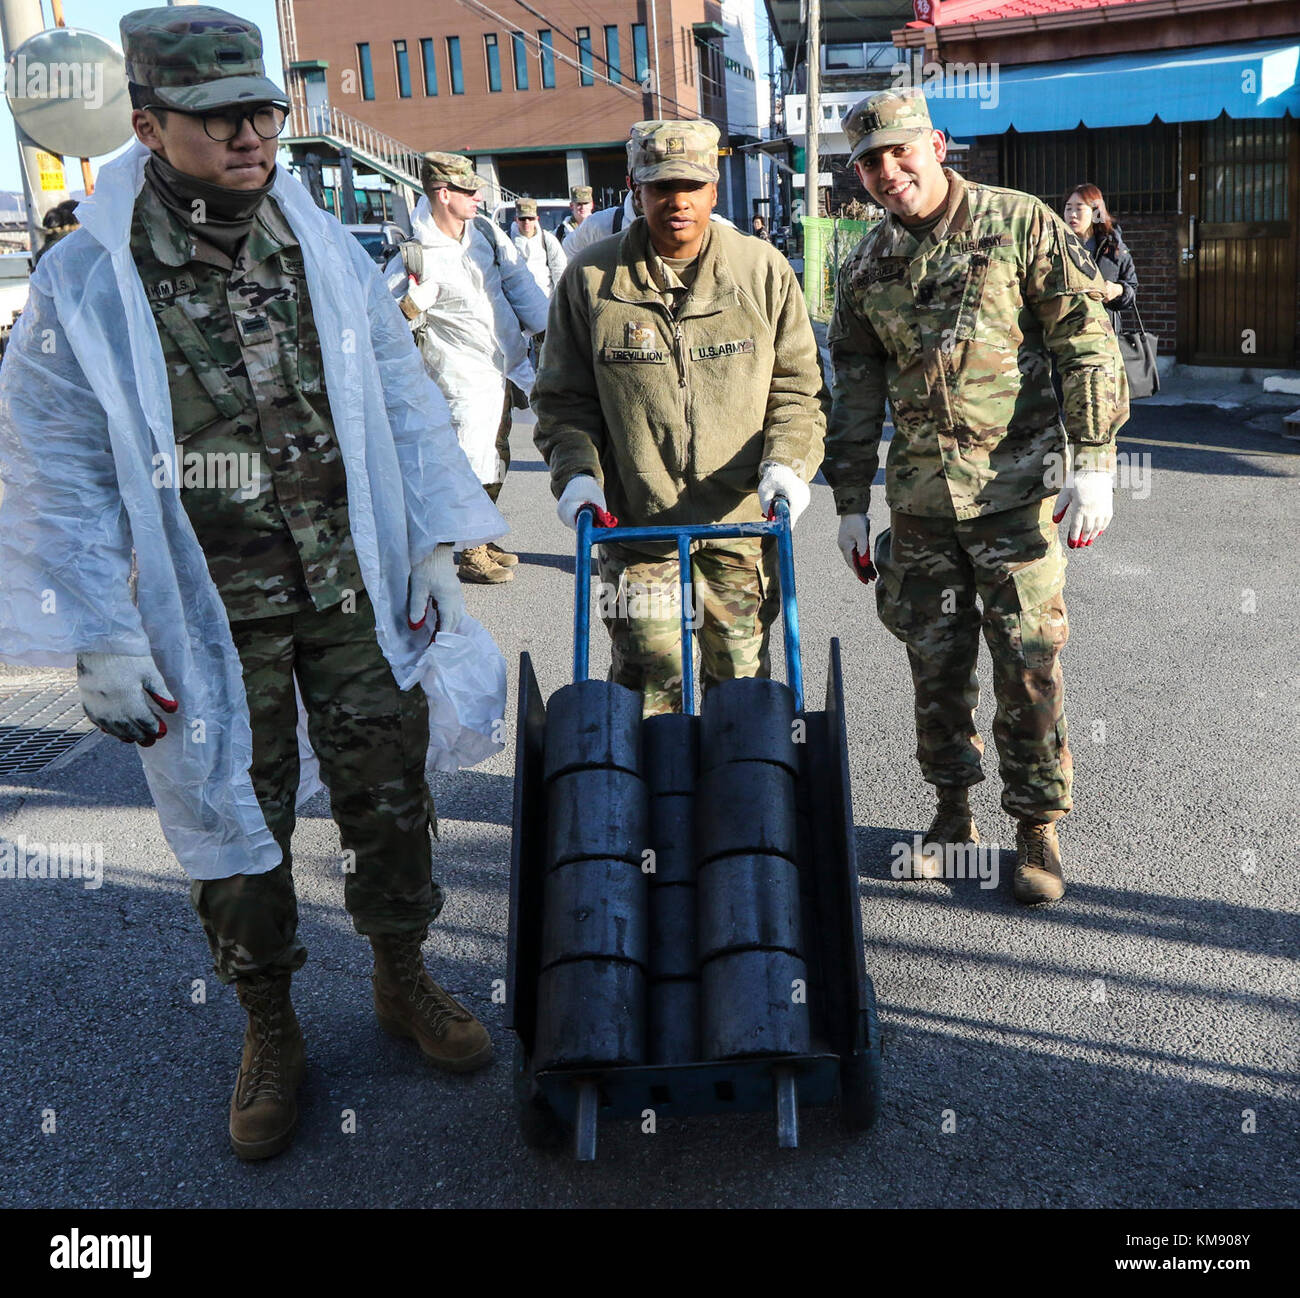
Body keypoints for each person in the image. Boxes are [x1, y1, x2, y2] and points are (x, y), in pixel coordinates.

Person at [0, 5, 507, 1161]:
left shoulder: (315, 240)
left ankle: (401, 971)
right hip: (209, 608)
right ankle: (269, 1023)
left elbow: (400, 395)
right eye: (219, 114)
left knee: (388, 792)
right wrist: (101, 633)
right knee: (240, 827)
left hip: (348, 590)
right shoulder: (91, 277)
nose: (250, 132)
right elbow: (57, 472)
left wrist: (433, 535)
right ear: (147, 123)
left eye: (263, 109)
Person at [824, 90, 1128, 905]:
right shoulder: (862, 266)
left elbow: (1083, 339)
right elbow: (853, 390)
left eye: (900, 151)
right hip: (920, 508)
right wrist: (850, 499)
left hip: (1015, 494)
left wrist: (1094, 455)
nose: (889, 172)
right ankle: (953, 817)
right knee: (935, 667)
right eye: (870, 161)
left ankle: (1036, 825)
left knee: (1028, 664)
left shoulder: (1022, 222)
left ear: (937, 143)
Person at [533, 120, 827, 716]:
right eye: (662, 186)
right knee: (645, 674)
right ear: (634, 189)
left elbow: (798, 391)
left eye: (692, 185)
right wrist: (579, 478)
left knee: (742, 681)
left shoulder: (761, 271)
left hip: (741, 520)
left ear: (715, 189)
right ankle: (641, 800)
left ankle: (742, 797)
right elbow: (564, 401)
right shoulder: (590, 279)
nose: (679, 202)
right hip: (636, 520)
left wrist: (788, 468)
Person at [385, 153, 550, 585]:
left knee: (498, 453)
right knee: (469, 459)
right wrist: (411, 304)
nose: (477, 197)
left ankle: (483, 533)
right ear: (443, 195)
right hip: (456, 376)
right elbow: (383, 319)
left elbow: (519, 285)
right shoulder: (415, 254)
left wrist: (551, 327)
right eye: (467, 191)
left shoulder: (484, 234)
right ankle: (469, 549)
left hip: (502, 365)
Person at [1063, 183, 1138, 333]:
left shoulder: (1113, 247)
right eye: (1068, 207)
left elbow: (1132, 288)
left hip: (1102, 337)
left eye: (1079, 208)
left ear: (1095, 212)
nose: (1072, 214)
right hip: (1063, 336)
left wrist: (1118, 289)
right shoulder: (1054, 246)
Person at [511, 195, 566, 296]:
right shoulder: (507, 241)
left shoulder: (547, 239)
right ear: (516, 219)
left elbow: (559, 270)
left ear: (537, 218)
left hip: (545, 299)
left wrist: (559, 300)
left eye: (530, 218)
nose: (527, 222)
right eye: (523, 218)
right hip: (517, 301)